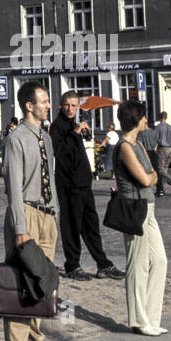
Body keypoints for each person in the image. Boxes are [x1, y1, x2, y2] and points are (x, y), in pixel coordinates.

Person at [2, 81, 70, 341]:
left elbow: (50, 178)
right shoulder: (16, 138)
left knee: (43, 283)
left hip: (46, 215)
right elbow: (13, 189)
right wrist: (20, 227)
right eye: (43, 101)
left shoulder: (46, 137)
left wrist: (54, 213)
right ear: (29, 106)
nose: (48, 105)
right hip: (26, 215)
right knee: (21, 283)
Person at [49, 92, 123, 281]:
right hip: (68, 184)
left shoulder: (75, 124)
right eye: (67, 105)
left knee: (91, 225)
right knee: (72, 226)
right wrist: (75, 133)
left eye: (74, 105)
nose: (71, 109)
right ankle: (72, 265)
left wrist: (83, 133)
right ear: (60, 105)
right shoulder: (57, 126)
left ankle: (103, 264)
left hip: (83, 183)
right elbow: (59, 151)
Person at [114, 100, 168, 335]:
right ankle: (138, 320)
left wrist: (153, 175)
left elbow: (153, 172)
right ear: (136, 119)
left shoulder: (140, 145)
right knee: (137, 264)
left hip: (149, 207)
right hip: (135, 208)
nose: (147, 120)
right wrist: (153, 175)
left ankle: (152, 317)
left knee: (160, 261)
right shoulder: (125, 146)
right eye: (144, 116)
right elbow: (148, 179)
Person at [154, 111, 171, 196]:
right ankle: (162, 189)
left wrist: (154, 150)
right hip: (170, 149)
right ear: (166, 117)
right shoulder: (170, 127)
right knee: (164, 170)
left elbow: (155, 141)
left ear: (159, 117)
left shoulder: (158, 128)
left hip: (162, 149)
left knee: (160, 170)